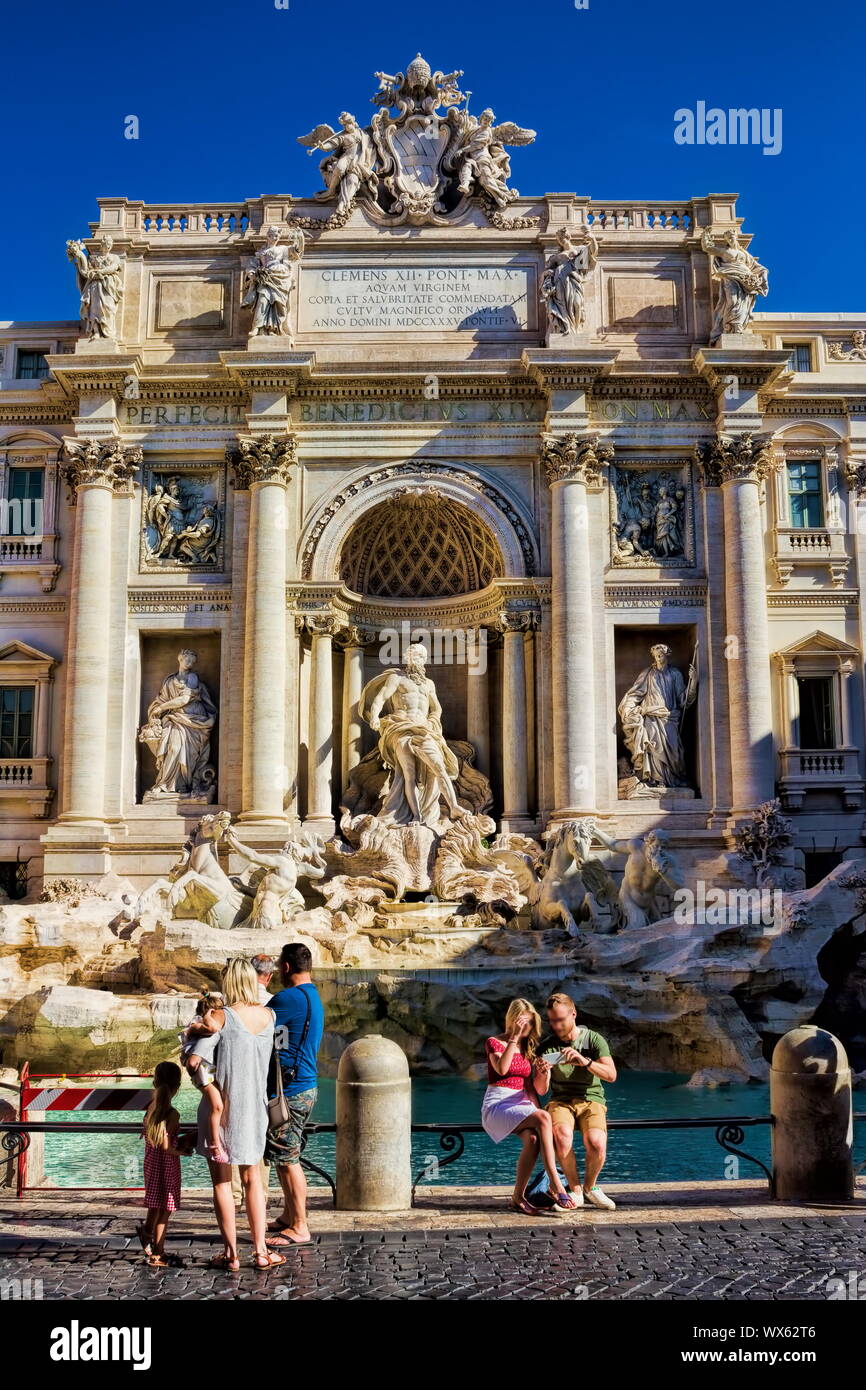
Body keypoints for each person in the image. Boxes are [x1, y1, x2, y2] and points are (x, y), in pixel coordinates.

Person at [186, 957, 285, 1271]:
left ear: (230, 982)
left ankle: (231, 1255)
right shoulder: (270, 1016)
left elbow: (193, 1063)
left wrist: (210, 1087)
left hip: (222, 1112)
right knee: (252, 1180)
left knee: (221, 1184)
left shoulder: (220, 1017)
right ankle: (260, 1251)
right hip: (256, 1110)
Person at [481, 998, 580, 1216]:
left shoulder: (529, 1047)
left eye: (529, 1024)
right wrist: (514, 1037)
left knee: (534, 1140)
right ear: (513, 1021)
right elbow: (502, 1069)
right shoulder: (494, 1043)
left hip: (522, 1103)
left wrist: (545, 1073)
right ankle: (555, 1182)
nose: (527, 1028)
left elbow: (538, 1089)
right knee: (544, 1118)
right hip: (498, 1104)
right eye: (523, 1023)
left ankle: (518, 1197)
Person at [265, 943, 325, 1248]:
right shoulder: (312, 996)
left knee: (288, 1159)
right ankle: (289, 1215)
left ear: (286, 966)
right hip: (304, 1086)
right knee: (284, 1154)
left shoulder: (287, 998)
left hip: (291, 1090)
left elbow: (256, 1025)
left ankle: (300, 1225)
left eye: (279, 966)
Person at [536, 992, 618, 1210]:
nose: (556, 1025)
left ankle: (590, 1188)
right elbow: (541, 1090)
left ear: (573, 1014)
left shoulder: (593, 1039)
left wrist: (585, 1062)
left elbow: (611, 1075)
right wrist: (543, 1073)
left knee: (596, 1143)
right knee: (562, 1137)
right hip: (560, 1100)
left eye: (561, 1019)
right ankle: (575, 1190)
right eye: (552, 1021)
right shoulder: (547, 1046)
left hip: (591, 1098)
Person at [136, 1061, 191, 1269]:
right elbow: (168, 1147)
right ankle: (158, 1253)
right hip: (168, 1166)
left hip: (151, 1164)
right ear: (177, 1087)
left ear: (155, 1082)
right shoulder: (172, 1114)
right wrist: (183, 1152)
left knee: (155, 1202)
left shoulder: (151, 1109)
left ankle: (146, 1233)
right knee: (165, 1209)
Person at [180, 991, 227, 1163]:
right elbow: (213, 1028)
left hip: (205, 1068)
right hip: (203, 1069)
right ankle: (215, 1145)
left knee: (216, 1105)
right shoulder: (198, 1024)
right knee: (217, 1106)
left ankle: (190, 1140)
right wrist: (210, 1016)